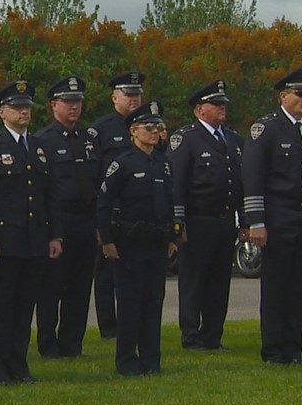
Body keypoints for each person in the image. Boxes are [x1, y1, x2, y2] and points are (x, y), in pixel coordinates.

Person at [0, 80, 62, 384]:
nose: (23, 112)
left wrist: (54, 235)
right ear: (2, 112)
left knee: (25, 307)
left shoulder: (39, 147)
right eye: (17, 107)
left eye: (26, 107)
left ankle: (18, 364)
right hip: (4, 241)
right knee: (2, 307)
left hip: (34, 240)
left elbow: (50, 195)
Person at [242, 66, 302, 364]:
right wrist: (256, 221)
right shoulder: (266, 128)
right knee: (277, 284)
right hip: (278, 215)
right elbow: (253, 177)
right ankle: (273, 350)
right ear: (284, 95)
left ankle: (294, 348)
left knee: (301, 283)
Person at [98, 101, 177, 375]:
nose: (155, 131)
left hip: (157, 243)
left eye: (158, 126)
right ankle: (127, 361)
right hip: (129, 244)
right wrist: (107, 241)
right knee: (130, 305)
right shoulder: (122, 163)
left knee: (153, 303)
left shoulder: (163, 163)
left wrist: (172, 238)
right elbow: (104, 204)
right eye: (149, 127)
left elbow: (170, 203)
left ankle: (151, 360)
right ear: (134, 130)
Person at [167, 79, 243, 351]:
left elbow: (240, 182)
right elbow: (177, 184)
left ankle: (213, 335)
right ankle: (191, 335)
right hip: (197, 221)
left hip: (224, 221)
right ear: (200, 109)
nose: (221, 108)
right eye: (215, 103)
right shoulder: (186, 139)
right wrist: (178, 224)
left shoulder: (232, 139)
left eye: (223, 103)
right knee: (193, 281)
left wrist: (244, 220)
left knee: (219, 282)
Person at [34, 76, 99, 358]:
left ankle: (72, 343)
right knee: (51, 287)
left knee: (80, 285)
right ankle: (48, 343)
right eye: (68, 102)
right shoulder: (43, 140)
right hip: (58, 220)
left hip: (85, 221)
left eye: (78, 102)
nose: (74, 107)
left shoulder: (88, 140)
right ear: (54, 105)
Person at [87, 71, 144, 339]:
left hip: (139, 214)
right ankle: (109, 326)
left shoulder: (148, 126)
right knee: (107, 273)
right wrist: (100, 221)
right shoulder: (100, 130)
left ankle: (133, 322)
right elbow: (94, 177)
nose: (134, 99)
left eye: (137, 94)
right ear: (114, 97)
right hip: (111, 211)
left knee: (136, 273)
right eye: (128, 94)